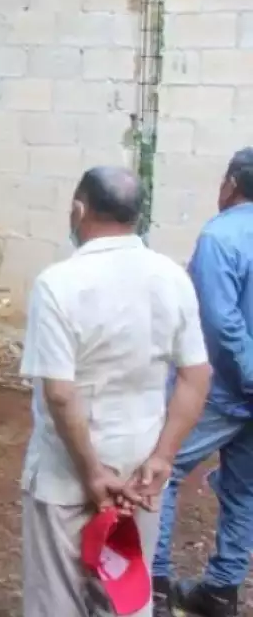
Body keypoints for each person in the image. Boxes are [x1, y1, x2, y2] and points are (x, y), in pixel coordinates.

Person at [19, 166, 211, 617]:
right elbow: (196, 376)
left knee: (56, 599)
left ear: (78, 209)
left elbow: (61, 394)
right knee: (122, 594)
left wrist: (90, 471)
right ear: (135, 216)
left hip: (66, 472)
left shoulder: (58, 283)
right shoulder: (171, 277)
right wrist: (162, 457)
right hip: (138, 474)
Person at [151, 148, 253, 617]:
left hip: (224, 391)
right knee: (244, 490)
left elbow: (221, 324)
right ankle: (220, 592)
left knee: (163, 470)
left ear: (231, 183)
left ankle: (152, 586)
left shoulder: (220, 236)